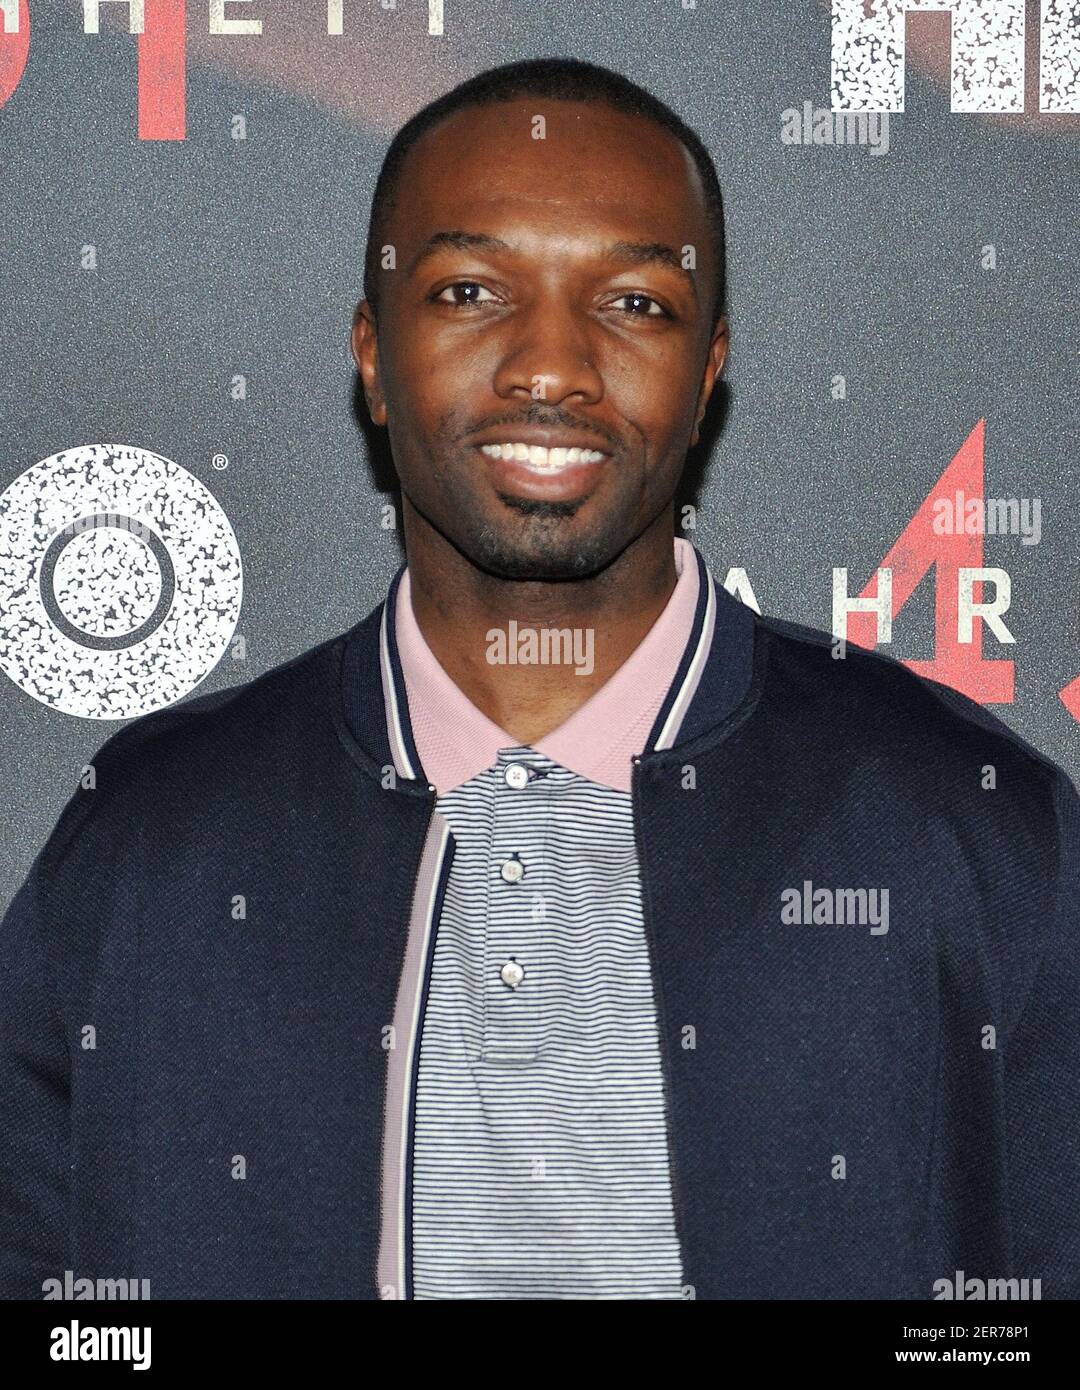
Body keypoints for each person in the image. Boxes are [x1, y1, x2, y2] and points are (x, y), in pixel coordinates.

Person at [1, 56, 1077, 1302]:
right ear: (371, 352)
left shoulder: (968, 827)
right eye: (470, 289)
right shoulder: (154, 837)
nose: (551, 366)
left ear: (711, 365)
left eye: (633, 303)